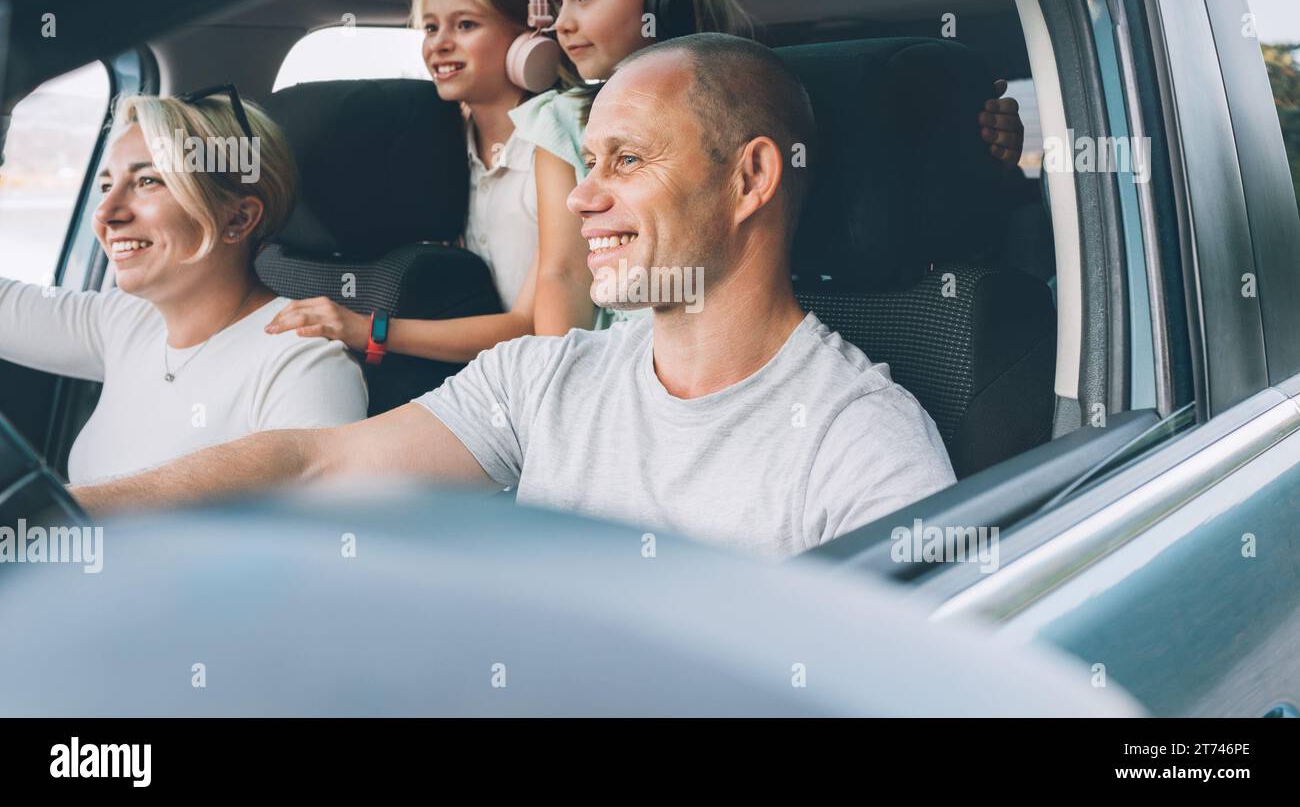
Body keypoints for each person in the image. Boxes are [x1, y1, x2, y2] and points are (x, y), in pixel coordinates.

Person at [71, 35, 956, 560]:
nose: (579, 196)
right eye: (587, 160)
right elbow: (312, 462)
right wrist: (64, 524)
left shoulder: (860, 444)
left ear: (752, 177)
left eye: (627, 161)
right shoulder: (544, 377)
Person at [519, 0, 1025, 331]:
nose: (563, 22)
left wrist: (969, 146)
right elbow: (562, 273)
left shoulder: (766, 95)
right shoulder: (563, 118)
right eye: (557, 2)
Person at [0, 89, 368, 484]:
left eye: (147, 181)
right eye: (107, 186)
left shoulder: (302, 363)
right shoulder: (127, 318)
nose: (106, 214)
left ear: (238, 219)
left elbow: (312, 535)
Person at [262, 0, 594, 360]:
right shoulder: (437, 146)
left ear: (531, 35)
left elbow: (532, 325)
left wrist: (369, 329)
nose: (439, 44)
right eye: (431, 28)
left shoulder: (554, 139)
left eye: (466, 25)